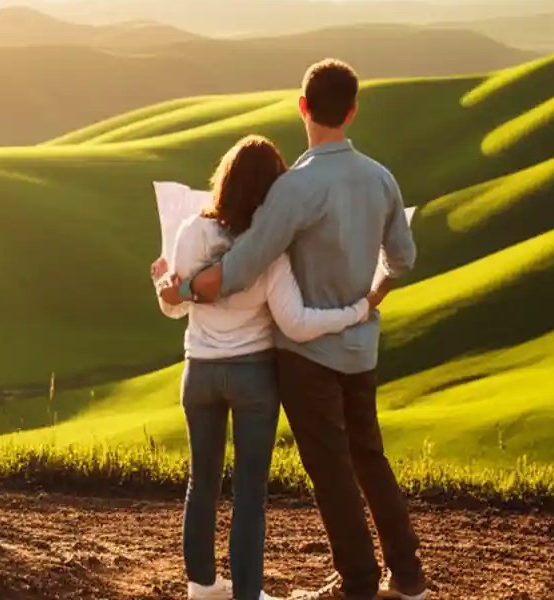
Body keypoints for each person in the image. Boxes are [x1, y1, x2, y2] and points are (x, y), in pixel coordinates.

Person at [160, 59, 429, 600]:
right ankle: (408, 577)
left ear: (302, 107)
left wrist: (181, 289)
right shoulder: (381, 178)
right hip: (361, 348)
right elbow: (402, 258)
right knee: (370, 458)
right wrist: (370, 299)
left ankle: (358, 583)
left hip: (308, 357)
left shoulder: (295, 187)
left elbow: (241, 268)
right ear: (352, 112)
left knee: (330, 471)